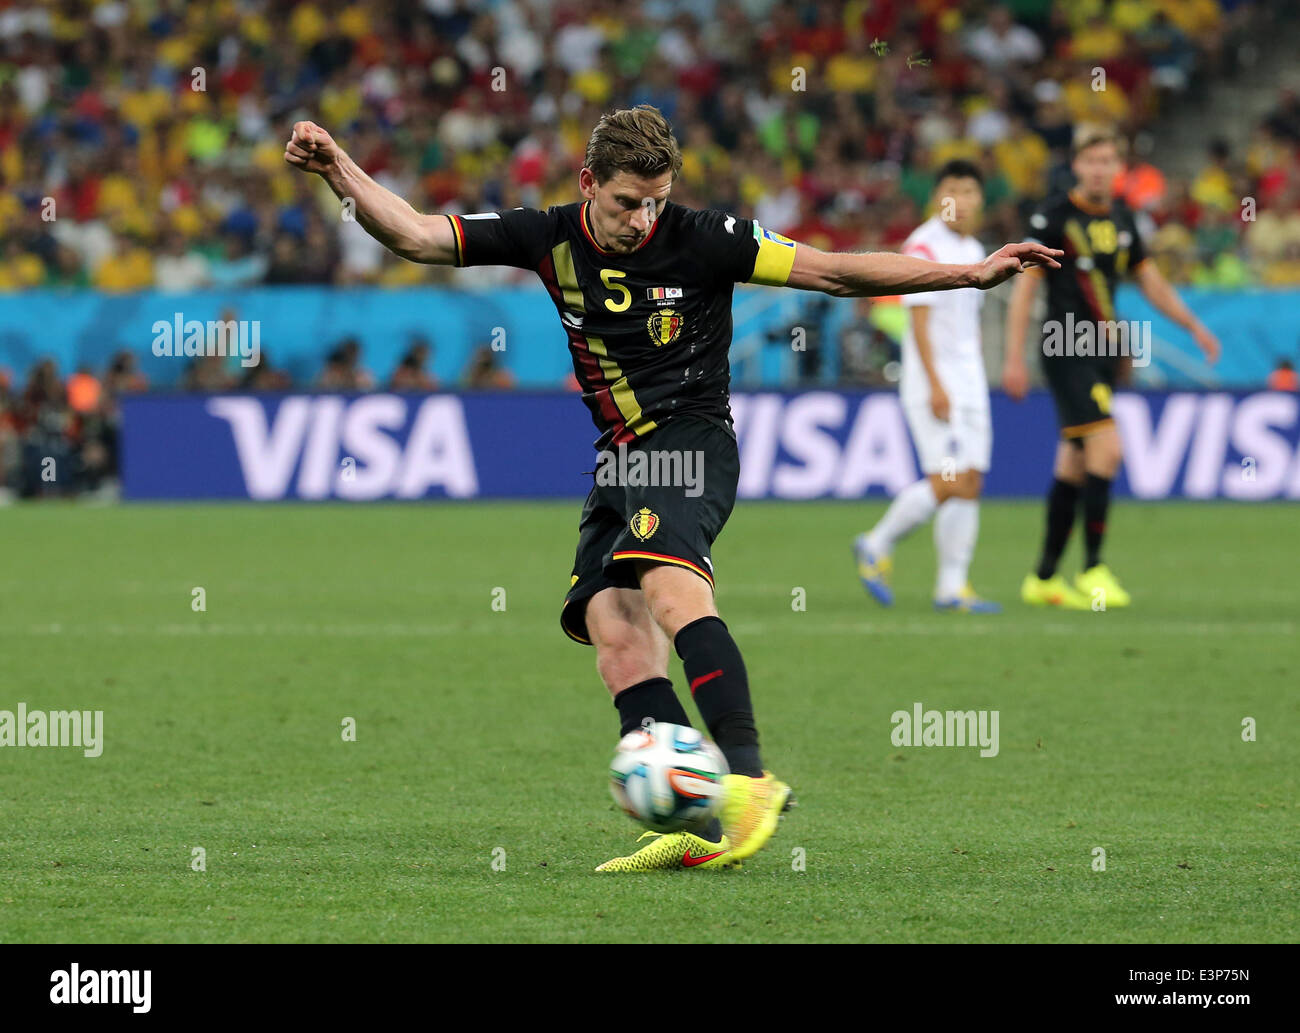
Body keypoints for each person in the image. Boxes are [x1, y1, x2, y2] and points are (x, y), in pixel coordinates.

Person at [285, 105, 1061, 871]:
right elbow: (418, 234)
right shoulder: (547, 236)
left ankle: (750, 779)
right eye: (627, 202)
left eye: (656, 200)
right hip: (619, 458)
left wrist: (969, 272)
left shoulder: (706, 238)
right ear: (589, 183)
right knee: (614, 633)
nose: (643, 218)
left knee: (670, 591)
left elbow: (831, 270)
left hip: (691, 440)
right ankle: (698, 813)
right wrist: (338, 171)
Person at [1004, 127, 1220, 609]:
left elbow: (1152, 282)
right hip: (1065, 347)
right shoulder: (1054, 216)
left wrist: (1194, 327)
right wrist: (1013, 356)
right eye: (1092, 160)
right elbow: (1025, 287)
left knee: (1075, 462)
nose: (1100, 168)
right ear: (1077, 165)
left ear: (1119, 169)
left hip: (1101, 351)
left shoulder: (1123, 219)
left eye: (1109, 161)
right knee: (1109, 449)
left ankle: (1042, 578)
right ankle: (1093, 570)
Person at [854, 160, 1000, 613]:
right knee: (949, 478)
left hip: (969, 381)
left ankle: (952, 587)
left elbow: (967, 323)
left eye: (971, 189)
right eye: (953, 189)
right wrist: (937, 385)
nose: (963, 199)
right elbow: (918, 322)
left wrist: (974, 374)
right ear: (939, 197)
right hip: (932, 381)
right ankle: (877, 542)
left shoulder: (974, 246)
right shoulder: (922, 246)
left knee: (971, 479)